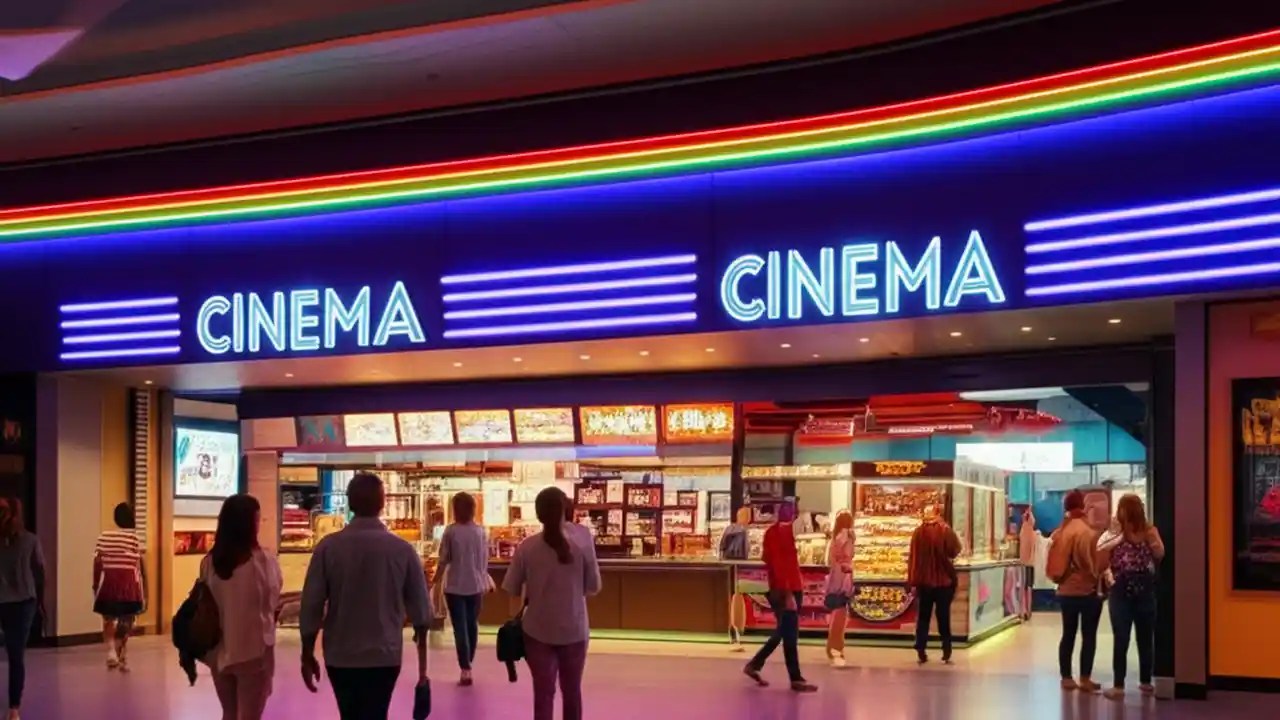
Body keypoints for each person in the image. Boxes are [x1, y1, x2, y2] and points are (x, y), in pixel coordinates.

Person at [300, 473, 432, 720]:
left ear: (350, 502)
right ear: (383, 503)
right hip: (384, 654)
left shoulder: (328, 548)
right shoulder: (402, 551)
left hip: (341, 654)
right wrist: (423, 668)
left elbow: (311, 604)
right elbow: (422, 614)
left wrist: (307, 651)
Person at [503, 487, 602, 720]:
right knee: (572, 692)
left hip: (537, 631)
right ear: (566, 510)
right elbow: (594, 586)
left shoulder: (527, 547)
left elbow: (512, 588)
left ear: (538, 515)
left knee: (543, 695)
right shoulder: (583, 540)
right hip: (575, 629)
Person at [205, 495, 283, 720]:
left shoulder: (210, 562)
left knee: (229, 712)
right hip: (254, 650)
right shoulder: (264, 561)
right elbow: (272, 600)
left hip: (219, 650)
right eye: (258, 520)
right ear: (250, 524)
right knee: (250, 715)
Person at [743, 502, 817, 692]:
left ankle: (756, 665)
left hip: (777, 587)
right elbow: (780, 564)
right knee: (789, 633)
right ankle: (794, 678)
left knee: (784, 631)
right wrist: (788, 592)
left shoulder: (771, 533)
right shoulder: (784, 533)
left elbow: (768, 559)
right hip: (788, 588)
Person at [1100, 494, 1164, 700]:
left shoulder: (1117, 533)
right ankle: (1145, 682)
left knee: (1121, 638)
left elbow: (1102, 554)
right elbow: (1160, 554)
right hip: (1145, 589)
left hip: (1121, 590)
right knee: (1145, 638)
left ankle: (1119, 686)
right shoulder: (1150, 531)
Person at [1052, 490, 1104, 693]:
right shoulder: (1087, 532)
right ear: (1082, 506)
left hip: (1066, 590)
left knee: (1068, 634)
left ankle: (1066, 677)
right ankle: (1085, 678)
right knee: (1088, 636)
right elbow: (1094, 564)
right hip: (1087, 591)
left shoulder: (1060, 532)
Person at [437, 492, 490, 687]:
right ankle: (469, 661)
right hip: (476, 585)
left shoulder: (451, 531)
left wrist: (435, 580)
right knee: (471, 625)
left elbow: (444, 559)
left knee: (459, 627)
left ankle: (465, 667)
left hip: (454, 586)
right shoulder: (481, 532)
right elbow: (484, 559)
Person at [0, 497, 43, 720]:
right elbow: (39, 572)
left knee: (15, 654)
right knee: (16, 655)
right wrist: (41, 602)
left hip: (6, 600)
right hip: (24, 601)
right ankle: (13, 708)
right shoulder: (31, 540)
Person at [906, 504, 961, 665]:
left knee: (923, 616)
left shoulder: (918, 532)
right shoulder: (945, 531)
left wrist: (912, 579)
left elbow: (912, 557)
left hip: (923, 582)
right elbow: (955, 551)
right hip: (943, 582)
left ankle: (921, 648)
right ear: (939, 514)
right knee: (943, 616)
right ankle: (946, 649)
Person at [94, 502, 145, 672]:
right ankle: (121, 653)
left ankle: (111, 652)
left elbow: (97, 563)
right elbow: (137, 568)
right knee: (127, 621)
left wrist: (95, 584)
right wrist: (142, 594)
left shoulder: (103, 537)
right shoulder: (134, 538)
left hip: (108, 584)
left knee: (108, 619)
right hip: (129, 586)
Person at [824, 510, 854, 667]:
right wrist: (849, 568)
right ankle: (836, 647)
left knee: (837, 614)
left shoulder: (835, 537)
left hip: (835, 578)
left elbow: (833, 559)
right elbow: (846, 557)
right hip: (843, 579)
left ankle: (833, 645)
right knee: (841, 615)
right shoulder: (847, 536)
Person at [1019, 508, 1038, 621]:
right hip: (1030, 563)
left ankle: (1024, 610)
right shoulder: (1031, 532)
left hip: (1023, 563)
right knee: (1029, 586)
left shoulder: (1023, 530)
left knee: (1024, 587)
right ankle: (1028, 610)